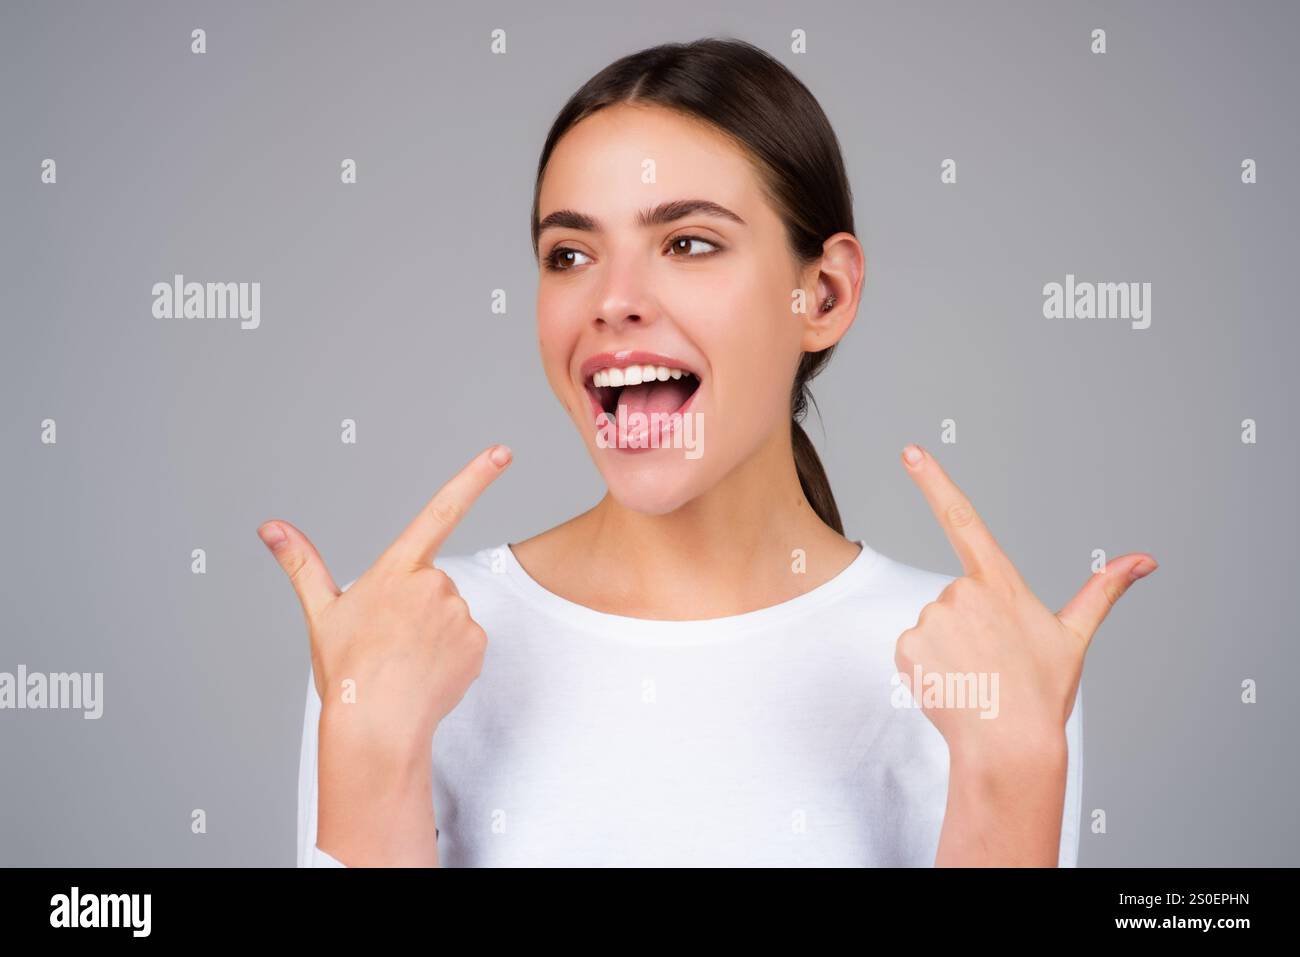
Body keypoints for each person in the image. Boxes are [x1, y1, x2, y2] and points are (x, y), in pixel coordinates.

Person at [261, 37, 1156, 867]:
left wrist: (1015, 773)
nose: (613, 300)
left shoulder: (985, 666)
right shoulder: (400, 642)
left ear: (826, 293)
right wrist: (368, 747)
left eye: (688, 243)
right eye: (569, 253)